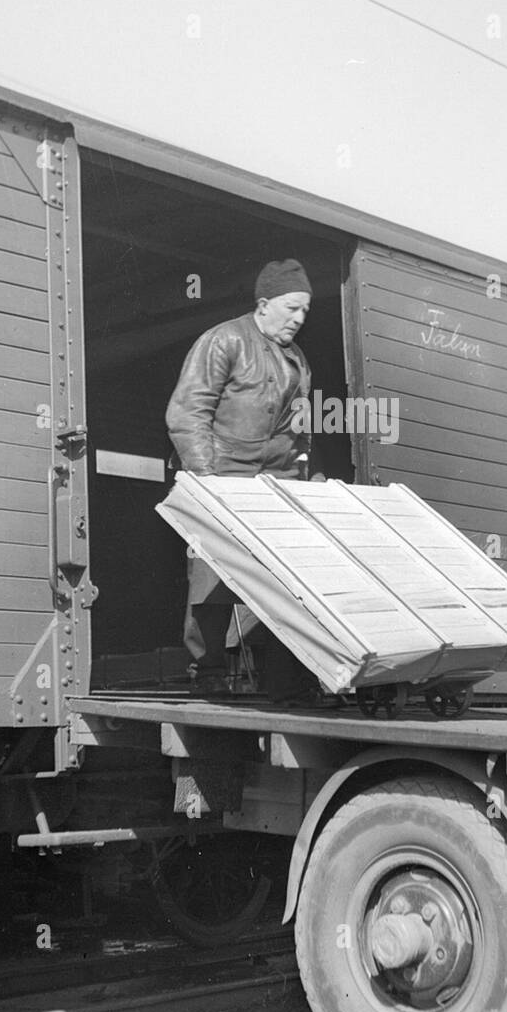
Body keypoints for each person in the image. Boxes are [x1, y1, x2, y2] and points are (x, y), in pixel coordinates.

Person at [165, 258, 328, 705]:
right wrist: (206, 481)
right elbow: (187, 412)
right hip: (223, 474)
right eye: (292, 308)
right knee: (211, 575)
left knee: (282, 577)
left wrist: (307, 477)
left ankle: (287, 675)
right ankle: (209, 669)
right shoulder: (224, 340)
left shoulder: (298, 359)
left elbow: (302, 428)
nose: (299, 318)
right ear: (263, 304)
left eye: (305, 312)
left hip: (275, 481)